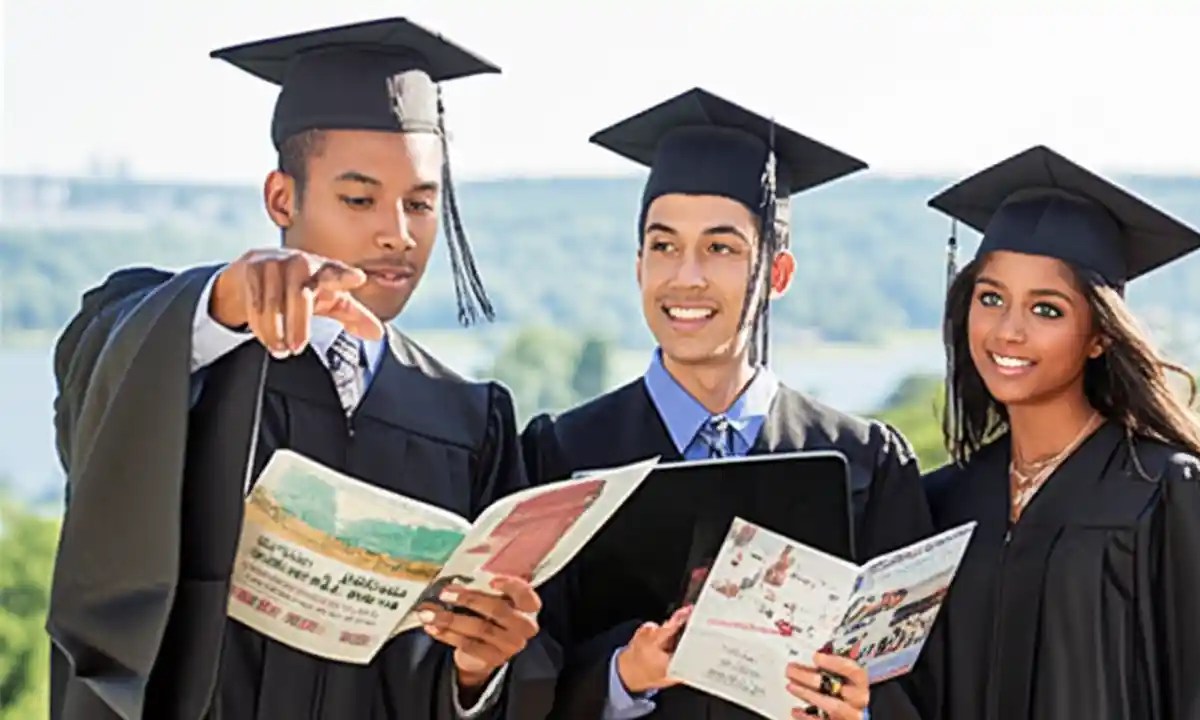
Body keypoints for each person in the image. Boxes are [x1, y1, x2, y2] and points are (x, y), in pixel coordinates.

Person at [47, 17, 558, 720]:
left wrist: (476, 670)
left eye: (420, 203)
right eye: (359, 198)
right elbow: (96, 377)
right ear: (282, 199)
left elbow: (465, 678)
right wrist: (223, 297)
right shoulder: (189, 347)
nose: (397, 233)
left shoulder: (469, 420)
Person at [520, 88, 937, 720]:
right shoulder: (564, 454)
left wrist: (860, 711)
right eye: (664, 246)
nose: (686, 276)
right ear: (638, 267)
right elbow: (525, 675)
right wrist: (625, 676)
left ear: (777, 274)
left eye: (721, 248)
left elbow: (917, 688)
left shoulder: (864, 464)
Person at [922, 144, 1200, 719]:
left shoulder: (1166, 493)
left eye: (1047, 310)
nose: (1008, 330)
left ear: (1100, 336)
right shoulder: (942, 503)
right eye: (991, 299)